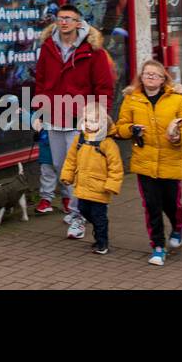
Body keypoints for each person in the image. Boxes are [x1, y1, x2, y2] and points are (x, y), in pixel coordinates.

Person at [31, 4, 116, 240]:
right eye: (60, 18)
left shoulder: (93, 50)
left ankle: (77, 216)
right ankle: (78, 207)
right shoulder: (48, 48)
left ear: (79, 23)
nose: (64, 22)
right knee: (62, 168)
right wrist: (39, 111)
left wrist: (100, 116)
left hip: (81, 119)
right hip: (55, 116)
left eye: (69, 18)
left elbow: (104, 86)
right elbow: (41, 81)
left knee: (79, 168)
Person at [115, 59, 182, 267]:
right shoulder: (132, 98)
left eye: (155, 75)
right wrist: (131, 129)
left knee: (171, 204)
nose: (150, 77)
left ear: (163, 79)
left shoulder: (176, 100)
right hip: (145, 163)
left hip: (171, 161)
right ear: (141, 77)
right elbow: (120, 127)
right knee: (151, 206)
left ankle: (177, 226)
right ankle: (158, 247)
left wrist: (180, 137)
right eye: (147, 74)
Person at [59, 101, 123, 254]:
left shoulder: (107, 143)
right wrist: (67, 176)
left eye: (94, 121)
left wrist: (112, 185)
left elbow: (116, 167)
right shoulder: (80, 139)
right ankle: (99, 231)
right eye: (86, 120)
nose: (89, 124)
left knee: (99, 215)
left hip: (100, 187)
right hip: (82, 185)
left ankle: (102, 243)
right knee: (83, 210)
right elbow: (71, 159)